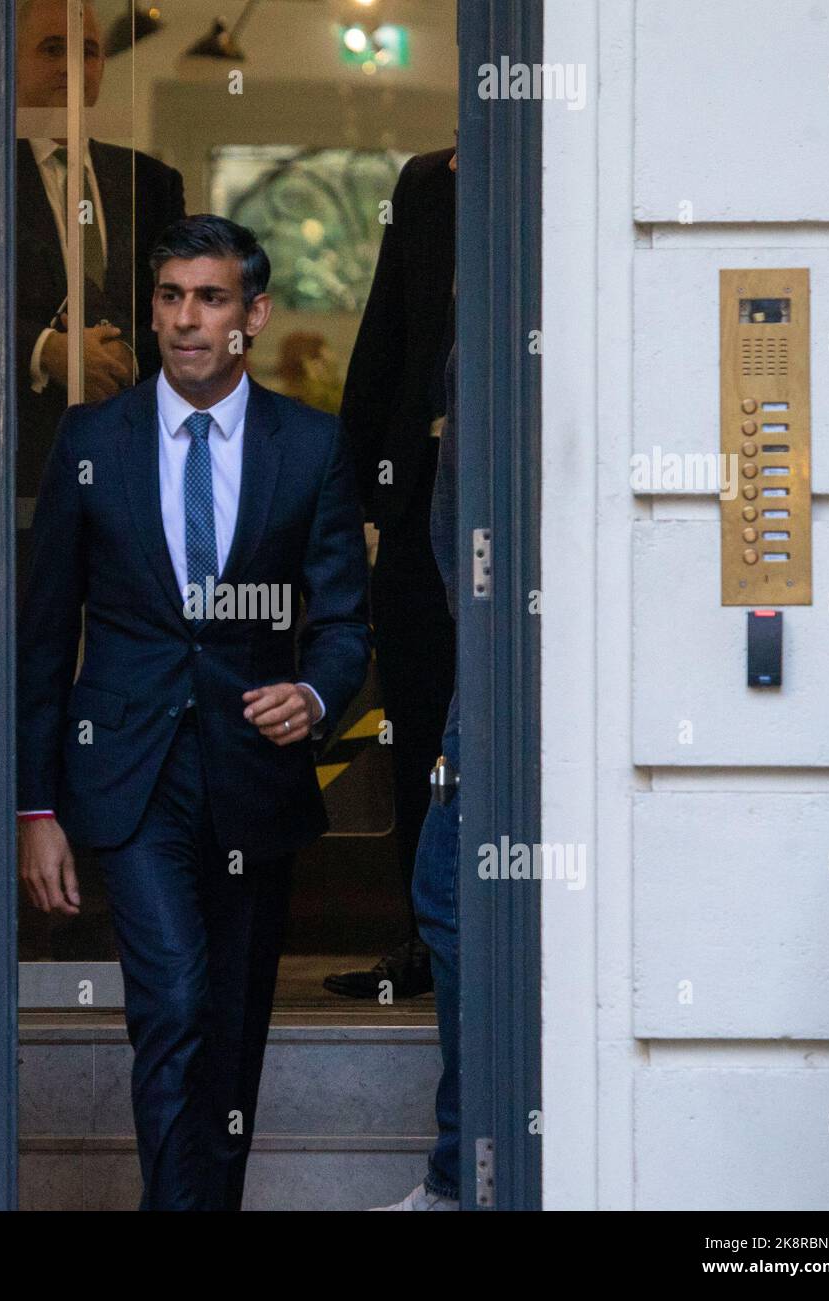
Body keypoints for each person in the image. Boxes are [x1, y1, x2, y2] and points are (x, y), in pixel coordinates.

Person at [16, 214, 371, 1211]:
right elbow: (45, 639)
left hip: (254, 777)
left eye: (210, 298)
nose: (185, 319)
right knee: (171, 999)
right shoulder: (93, 440)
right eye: (171, 297)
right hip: (130, 778)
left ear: (251, 314)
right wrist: (33, 808)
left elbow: (344, 621)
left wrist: (310, 693)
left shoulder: (309, 445)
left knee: (230, 1026)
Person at [326, 144, 459, 1001]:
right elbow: (386, 334)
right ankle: (420, 939)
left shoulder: (572, 153)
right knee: (412, 716)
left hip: (528, 497)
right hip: (415, 494)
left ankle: (505, 927)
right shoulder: (426, 181)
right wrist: (354, 499)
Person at [15, 0, 186, 526]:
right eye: (51, 49)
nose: (73, 67)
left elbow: (182, 310)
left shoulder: (152, 183)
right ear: (10, 61)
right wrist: (48, 352)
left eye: (87, 52)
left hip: (132, 477)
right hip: (14, 477)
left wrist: (124, 360)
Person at [375, 334, 461, 1211]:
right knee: (453, 897)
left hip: (513, 652)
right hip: (489, 643)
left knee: (453, 897)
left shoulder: (506, 281)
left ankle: (463, 1178)